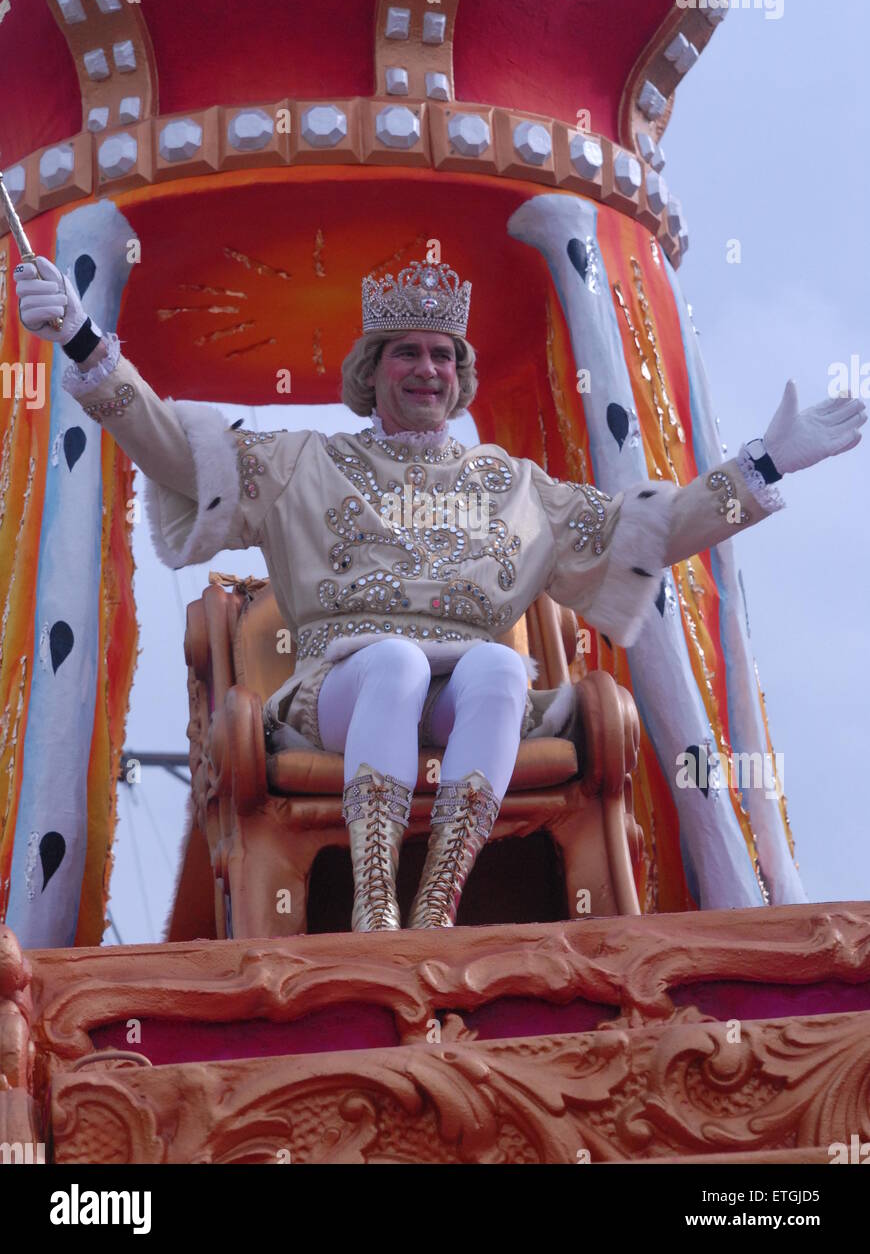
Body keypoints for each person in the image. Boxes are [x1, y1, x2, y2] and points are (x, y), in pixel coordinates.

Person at [15, 256, 866, 932]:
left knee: (501, 671)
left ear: (458, 377)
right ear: (371, 372)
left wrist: (763, 465)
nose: (426, 368)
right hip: (344, 687)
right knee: (392, 662)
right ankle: (376, 903)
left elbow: (656, 528)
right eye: (406, 352)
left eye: (441, 355)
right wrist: (87, 343)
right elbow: (172, 450)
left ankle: (436, 903)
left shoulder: (514, 485)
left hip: (475, 699)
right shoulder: (301, 463)